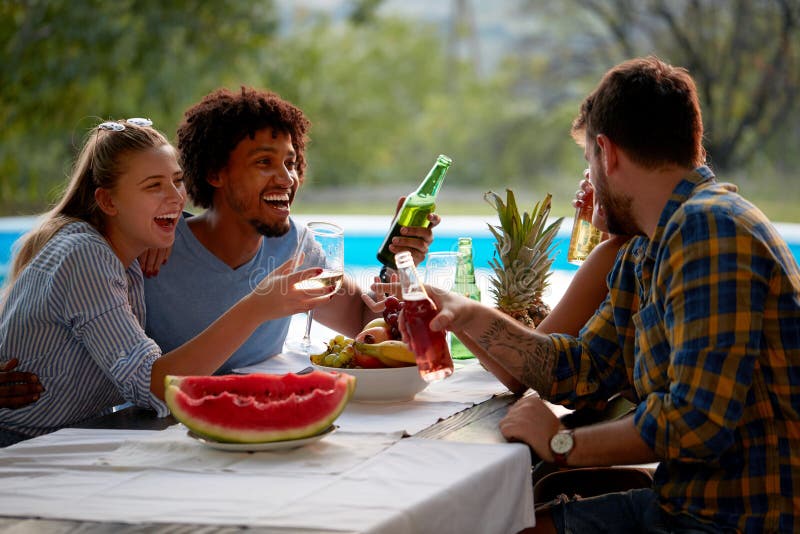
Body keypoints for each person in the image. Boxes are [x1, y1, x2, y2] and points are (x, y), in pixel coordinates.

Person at [419, 56, 800, 533]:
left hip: (735, 522)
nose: (590, 179)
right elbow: (579, 368)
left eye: (588, 162)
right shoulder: (647, 247)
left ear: (608, 152)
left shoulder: (709, 228)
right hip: (679, 505)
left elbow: (696, 420)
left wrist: (563, 445)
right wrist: (470, 316)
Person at [0, 119, 333, 446]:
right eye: (153, 185)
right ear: (108, 201)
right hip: (21, 447)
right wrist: (255, 308)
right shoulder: (85, 254)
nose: (176, 198)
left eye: (177, 181)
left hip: (69, 442)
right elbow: (152, 386)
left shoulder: (128, 258)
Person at [142, 87, 438, 373]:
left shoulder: (296, 246)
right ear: (214, 172)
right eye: (264, 162)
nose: (287, 179)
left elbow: (363, 320)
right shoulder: (154, 249)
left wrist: (398, 261)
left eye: (291, 163)